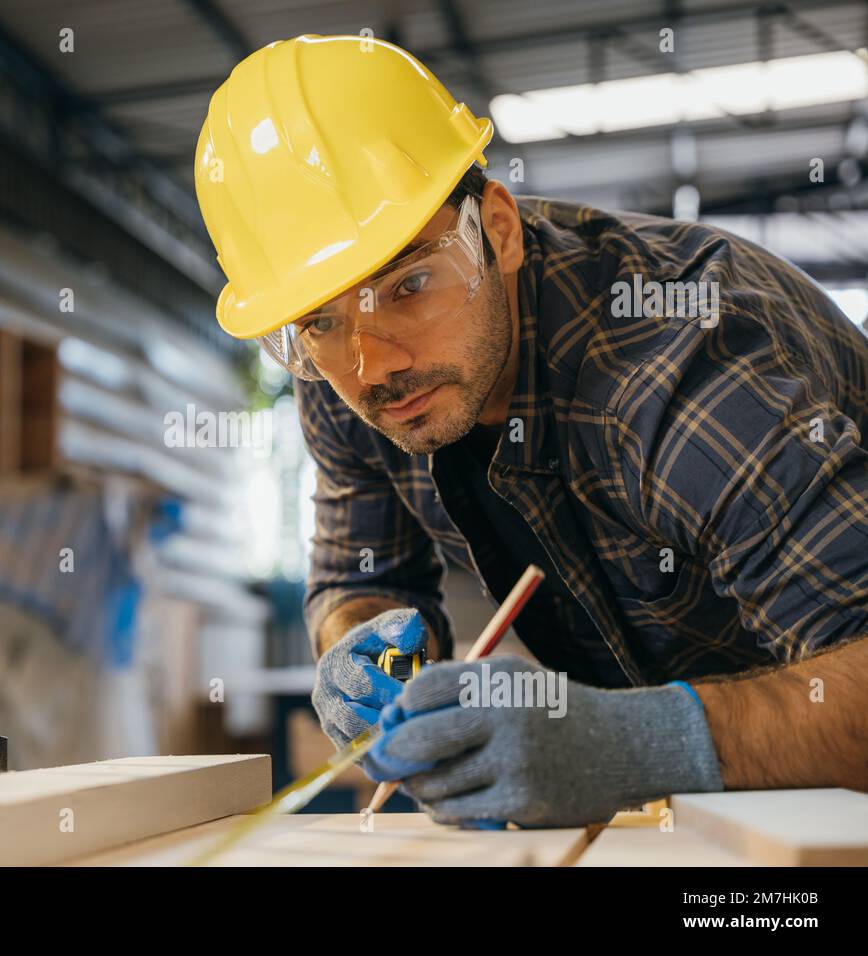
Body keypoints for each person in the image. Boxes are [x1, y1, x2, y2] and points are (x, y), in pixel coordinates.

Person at [192, 34, 868, 827]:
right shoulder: (345, 379)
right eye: (319, 321)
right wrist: (360, 642)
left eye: (409, 284)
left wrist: (644, 743)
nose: (374, 365)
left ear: (501, 230)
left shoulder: (690, 375)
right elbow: (361, 575)